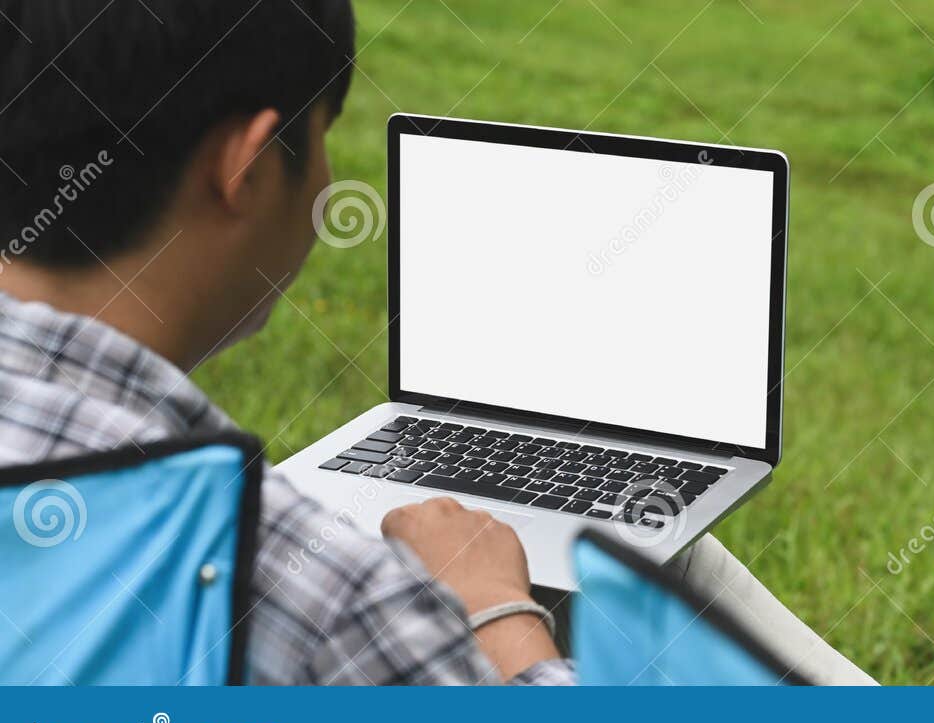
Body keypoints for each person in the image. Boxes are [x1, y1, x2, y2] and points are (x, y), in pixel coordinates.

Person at [0, 0, 872, 686]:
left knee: (667, 555)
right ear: (252, 166)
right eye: (323, 138)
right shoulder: (326, 595)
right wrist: (494, 607)